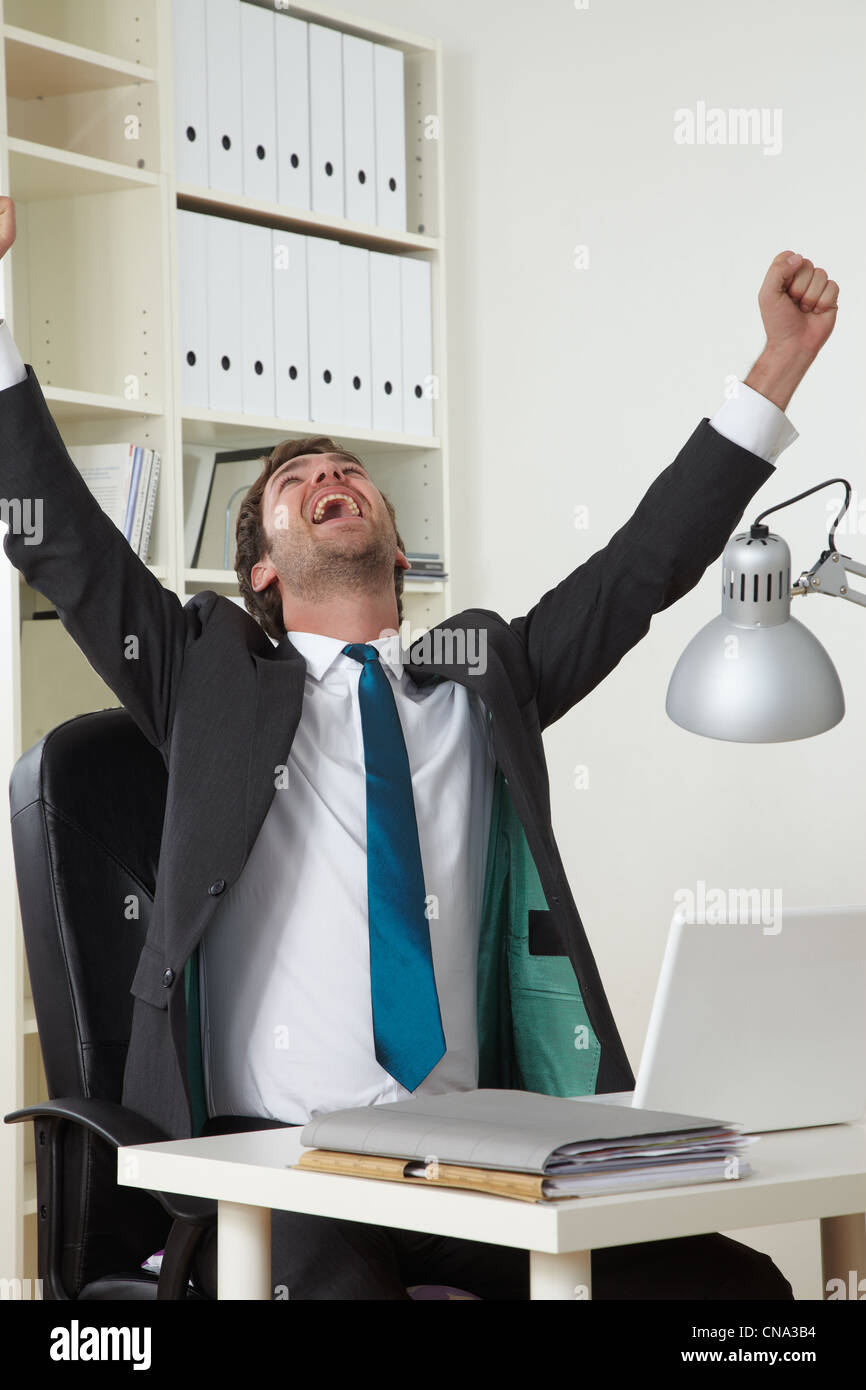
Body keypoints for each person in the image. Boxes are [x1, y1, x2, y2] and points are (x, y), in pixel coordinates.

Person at [0, 195, 838, 1297]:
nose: (324, 482)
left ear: (396, 541)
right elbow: (52, 534)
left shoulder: (484, 678)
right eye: (290, 487)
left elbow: (642, 567)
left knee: (732, 1294)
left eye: (343, 472)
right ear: (260, 568)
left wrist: (776, 365)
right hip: (276, 1158)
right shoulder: (203, 672)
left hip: (468, 1152)